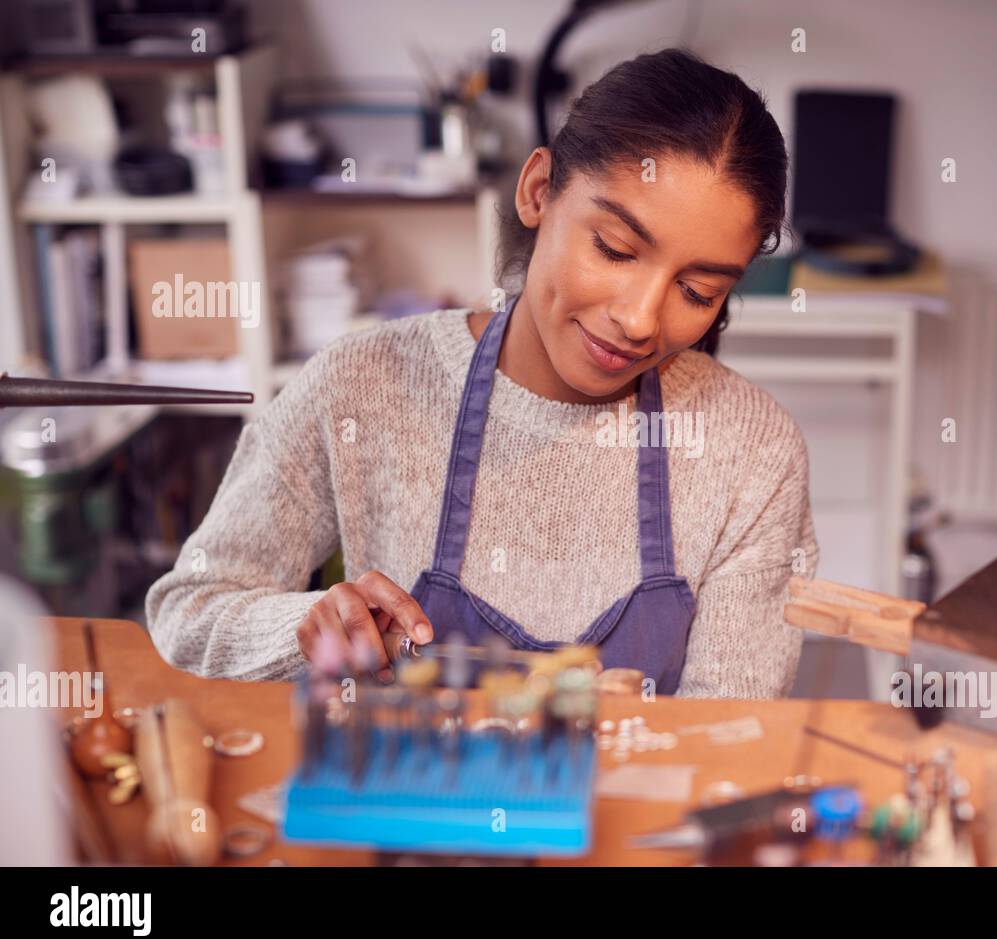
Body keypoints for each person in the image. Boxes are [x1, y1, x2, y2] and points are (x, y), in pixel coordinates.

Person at [146, 48, 818, 698]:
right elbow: (190, 610)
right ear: (536, 191)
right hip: (403, 808)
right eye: (615, 250)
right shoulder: (363, 387)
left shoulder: (752, 451)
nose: (641, 319)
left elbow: (733, 726)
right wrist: (303, 625)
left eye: (698, 291)